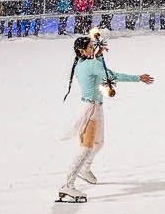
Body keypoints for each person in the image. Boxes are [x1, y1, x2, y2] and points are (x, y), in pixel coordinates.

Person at [57, 28, 154, 204]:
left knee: (99, 143)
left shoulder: (81, 64)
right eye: (90, 46)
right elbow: (110, 75)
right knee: (86, 148)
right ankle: (67, 184)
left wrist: (99, 56)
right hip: (90, 110)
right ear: (81, 50)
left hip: (96, 107)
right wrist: (138, 78)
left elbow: (97, 71)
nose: (92, 47)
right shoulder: (91, 64)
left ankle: (85, 169)